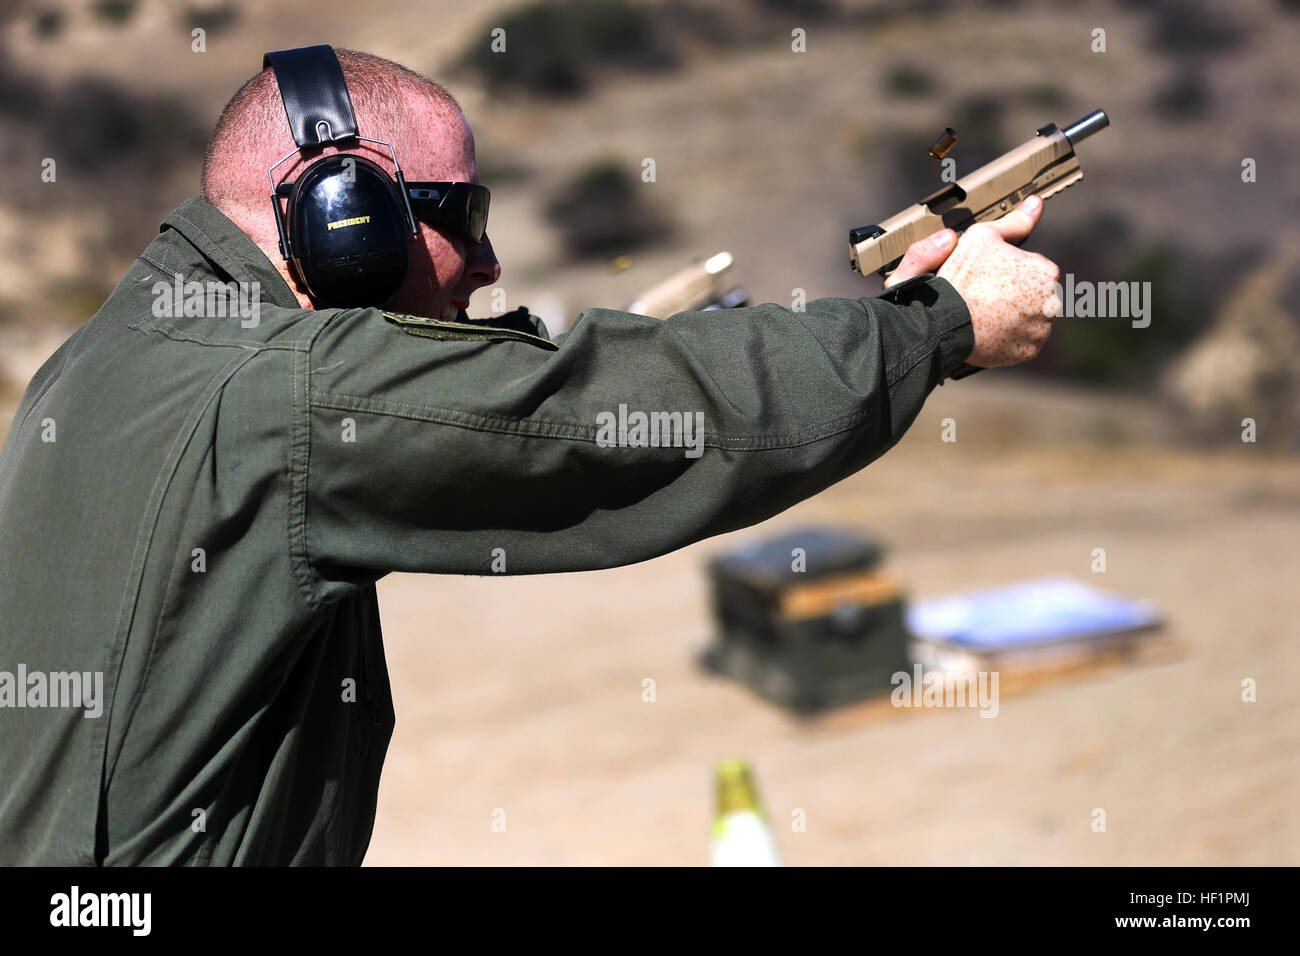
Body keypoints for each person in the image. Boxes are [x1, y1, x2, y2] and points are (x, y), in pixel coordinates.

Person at [0, 47, 1059, 865]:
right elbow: (602, 425)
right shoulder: (289, 390)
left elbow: (410, 453)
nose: (492, 256)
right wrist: (938, 326)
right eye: (464, 215)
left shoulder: (127, 345)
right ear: (346, 215)